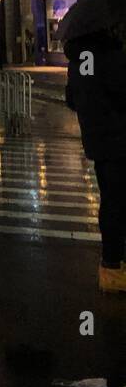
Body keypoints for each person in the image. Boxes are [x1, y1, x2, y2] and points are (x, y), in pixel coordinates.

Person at [65, 28, 126, 293]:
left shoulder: (79, 61)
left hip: (99, 141)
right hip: (119, 137)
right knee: (117, 203)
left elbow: (71, 98)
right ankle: (114, 265)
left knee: (111, 201)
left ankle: (111, 266)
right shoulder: (110, 58)